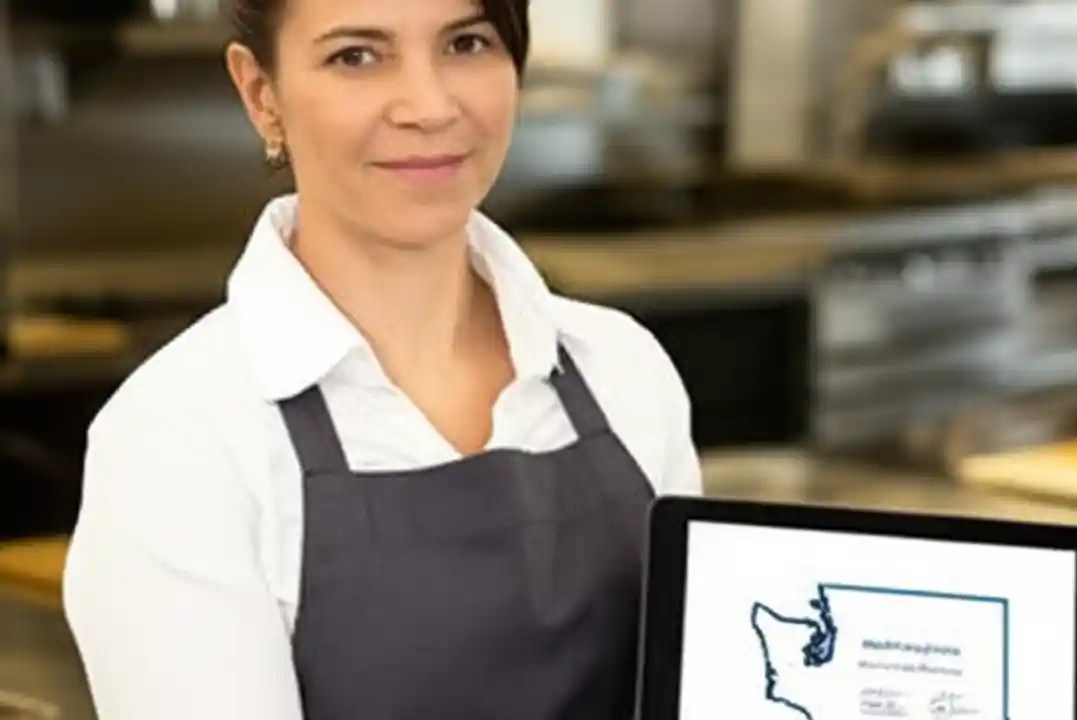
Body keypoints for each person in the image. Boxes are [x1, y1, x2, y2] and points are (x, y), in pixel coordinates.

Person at [61, 0, 701, 717]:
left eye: (466, 42)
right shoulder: (179, 440)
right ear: (260, 94)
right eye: (356, 56)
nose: (429, 106)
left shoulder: (625, 370)